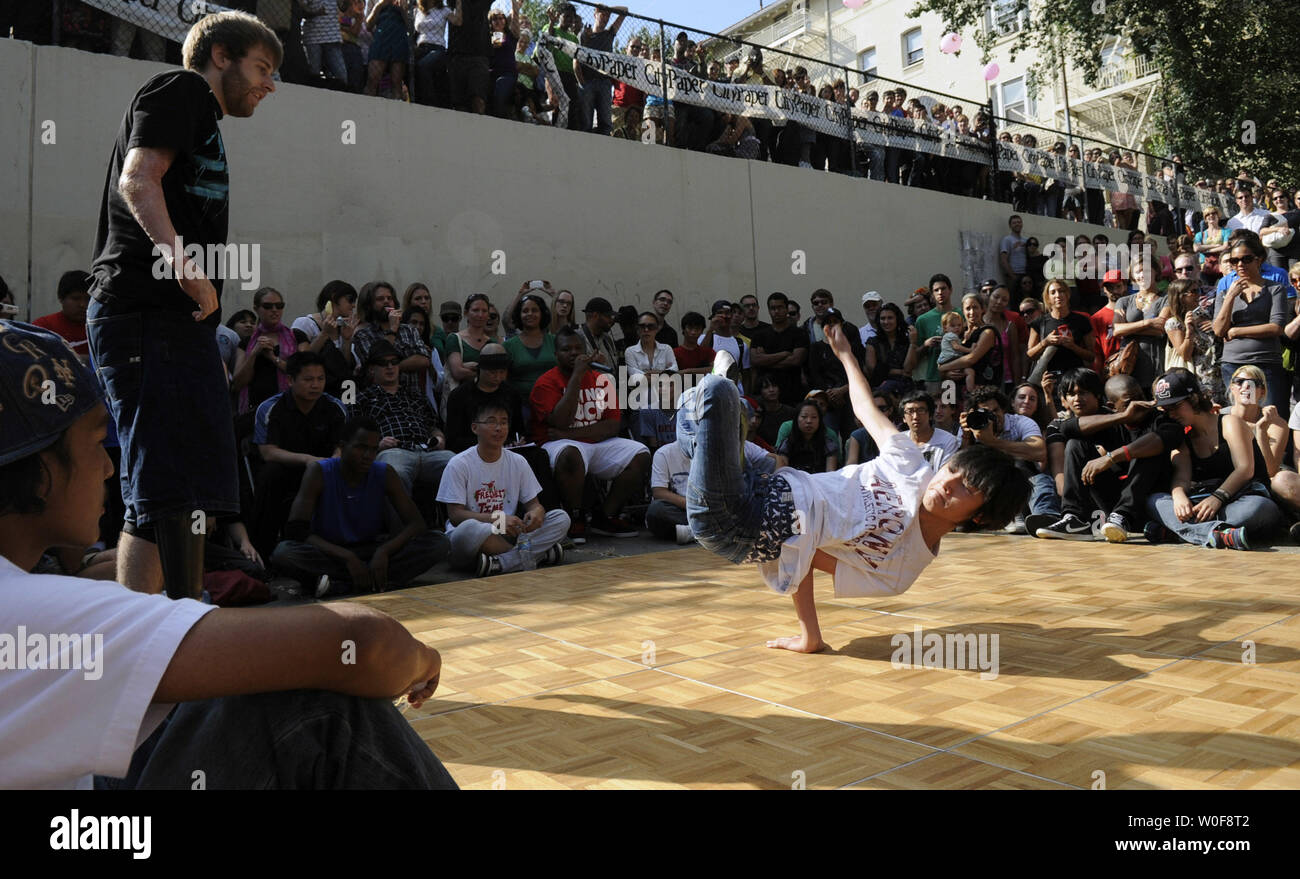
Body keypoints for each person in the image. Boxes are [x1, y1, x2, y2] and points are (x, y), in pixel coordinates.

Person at [0, 323, 455, 789]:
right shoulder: (26, 611)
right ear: (37, 468)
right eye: (97, 443)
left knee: (250, 677)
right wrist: (425, 659)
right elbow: (361, 642)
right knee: (318, 698)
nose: (109, 465)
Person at [86, 11, 281, 600]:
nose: (269, 85)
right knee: (167, 490)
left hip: (175, 327)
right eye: (262, 68)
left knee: (176, 494)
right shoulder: (183, 88)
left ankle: (160, 634)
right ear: (221, 55)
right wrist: (188, 270)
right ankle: (172, 633)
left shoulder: (203, 115)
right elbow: (138, 179)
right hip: (145, 316)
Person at [674, 334, 1028, 654]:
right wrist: (846, 356)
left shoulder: (899, 571)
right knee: (699, 405)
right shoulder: (911, 463)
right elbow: (864, 409)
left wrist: (809, 634)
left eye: (966, 488)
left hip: (739, 523)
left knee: (712, 394)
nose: (946, 483)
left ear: (980, 516)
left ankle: (726, 414)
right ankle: (727, 431)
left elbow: (804, 552)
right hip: (767, 481)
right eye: (953, 470)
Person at [272, 416, 450, 594]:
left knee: (438, 542)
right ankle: (377, 581)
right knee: (284, 553)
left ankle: (339, 585)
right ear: (342, 447)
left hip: (372, 549)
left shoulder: (384, 473)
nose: (368, 456)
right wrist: (347, 557)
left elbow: (416, 524)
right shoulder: (319, 471)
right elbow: (296, 530)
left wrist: (384, 552)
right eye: (361, 448)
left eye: (373, 449)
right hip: (331, 552)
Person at [529, 327, 650, 542]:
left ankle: (605, 516)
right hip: (556, 446)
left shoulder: (601, 379)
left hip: (589, 441)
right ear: (556, 355)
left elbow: (613, 425)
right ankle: (576, 517)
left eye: (578, 348)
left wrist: (569, 433)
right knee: (570, 453)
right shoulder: (545, 383)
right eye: (567, 349)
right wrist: (576, 376)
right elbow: (559, 421)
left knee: (640, 453)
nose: (574, 353)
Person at [1144, 369, 1284, 549]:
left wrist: (1217, 497)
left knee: (1259, 508)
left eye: (1175, 407)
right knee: (1154, 501)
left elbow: (1245, 469)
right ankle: (1216, 534)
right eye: (1166, 410)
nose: (1171, 415)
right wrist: (1178, 496)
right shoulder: (1183, 437)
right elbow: (1181, 477)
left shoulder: (1229, 423)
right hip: (1205, 506)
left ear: (1193, 399)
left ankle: (1180, 531)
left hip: (1242, 500)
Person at [1034, 369, 1180, 541]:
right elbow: (1067, 428)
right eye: (1128, 403)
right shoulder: (1110, 421)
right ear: (1112, 406)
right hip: (1112, 505)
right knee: (1075, 445)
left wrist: (1110, 457)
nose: (1138, 405)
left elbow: (1167, 437)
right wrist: (1124, 416)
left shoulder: (1159, 419)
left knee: (1146, 449)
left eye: (1140, 396)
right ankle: (1074, 519)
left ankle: (1122, 515)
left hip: (1148, 500)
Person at [438, 400, 569, 576]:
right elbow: (455, 516)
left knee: (561, 518)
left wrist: (537, 513)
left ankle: (500, 563)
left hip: (510, 532)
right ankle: (537, 555)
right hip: (475, 534)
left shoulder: (518, 461)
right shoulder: (459, 464)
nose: (499, 428)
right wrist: (498, 520)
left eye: (504, 422)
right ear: (475, 428)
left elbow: (534, 504)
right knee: (471, 529)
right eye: (491, 422)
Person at [250, 351, 348, 559]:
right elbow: (268, 452)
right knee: (270, 475)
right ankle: (263, 554)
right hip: (286, 469)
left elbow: (342, 446)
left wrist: (334, 459)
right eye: (308, 379)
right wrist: (307, 459)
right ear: (290, 380)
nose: (315, 385)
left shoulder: (335, 407)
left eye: (320, 379)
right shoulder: (270, 408)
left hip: (324, 470)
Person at [354, 339, 454, 504]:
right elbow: (355, 435)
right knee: (394, 472)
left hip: (428, 450)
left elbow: (433, 426)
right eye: (383, 363)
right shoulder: (363, 398)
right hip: (393, 451)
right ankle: (406, 528)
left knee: (458, 465)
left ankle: (456, 525)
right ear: (371, 369)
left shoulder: (416, 394)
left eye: (394, 362)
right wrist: (377, 443)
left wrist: (440, 439)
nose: (390, 367)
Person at [649, 429, 777, 544]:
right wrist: (694, 505)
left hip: (717, 508)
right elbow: (659, 492)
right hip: (685, 509)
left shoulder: (718, 450)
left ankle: (698, 532)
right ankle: (716, 532)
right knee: (656, 510)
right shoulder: (664, 453)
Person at [1213, 237, 1290, 411]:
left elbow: (1276, 327)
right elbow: (1218, 329)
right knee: (1241, 418)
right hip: (1233, 363)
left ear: (1259, 259)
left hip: (1266, 362)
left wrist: (1236, 331)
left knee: (1271, 415)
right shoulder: (1225, 291)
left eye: (1246, 259)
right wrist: (1230, 297)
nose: (1240, 264)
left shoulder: (1275, 289)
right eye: (1234, 260)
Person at [1224, 365, 1300, 540]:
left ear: (1262, 391)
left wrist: (1260, 430)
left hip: (1265, 481)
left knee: (1282, 480)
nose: (1245, 386)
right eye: (1240, 381)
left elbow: (1270, 471)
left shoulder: (1276, 423)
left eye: (1253, 383)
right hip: (1231, 480)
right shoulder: (1219, 417)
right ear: (1232, 387)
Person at [352, 281, 433, 397]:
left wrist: (391, 367)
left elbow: (423, 360)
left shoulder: (409, 330)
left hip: (412, 400)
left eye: (389, 298)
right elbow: (375, 363)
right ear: (370, 305)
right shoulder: (363, 335)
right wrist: (392, 330)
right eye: (380, 299)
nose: (386, 301)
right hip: (381, 401)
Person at [232, 286, 298, 417]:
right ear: (256, 309)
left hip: (289, 408)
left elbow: (301, 372)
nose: (274, 310)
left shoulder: (295, 337)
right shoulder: (247, 343)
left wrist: (273, 358)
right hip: (255, 410)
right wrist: (254, 353)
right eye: (268, 306)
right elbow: (238, 383)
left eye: (279, 306)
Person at [1162, 277, 1222, 404]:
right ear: (1181, 297)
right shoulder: (1174, 323)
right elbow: (1185, 354)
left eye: (1199, 290)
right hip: (1199, 380)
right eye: (1193, 291)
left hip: (1218, 375)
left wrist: (1214, 325)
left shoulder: (1205, 315)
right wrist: (1189, 332)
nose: (1198, 294)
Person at [1025, 278, 1095, 386]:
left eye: (1061, 291)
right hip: (1049, 380)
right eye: (1053, 292)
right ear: (1048, 298)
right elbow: (1030, 355)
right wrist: (1045, 342)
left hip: (1074, 379)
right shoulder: (1039, 322)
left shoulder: (1082, 321)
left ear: (1068, 295)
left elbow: (1091, 356)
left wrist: (1073, 346)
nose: (1058, 295)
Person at [1112, 258, 1168, 391]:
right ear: (1132, 275)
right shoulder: (1123, 301)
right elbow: (1116, 331)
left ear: (1156, 272)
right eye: (1138, 272)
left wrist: (1127, 328)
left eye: (1147, 270)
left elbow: (1160, 329)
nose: (1142, 275)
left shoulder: (1166, 298)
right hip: (1128, 364)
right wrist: (1147, 322)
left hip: (1155, 362)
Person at [750, 292, 807, 405]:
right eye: (773, 308)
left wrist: (765, 360)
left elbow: (796, 361)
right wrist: (784, 354)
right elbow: (755, 361)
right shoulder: (760, 335)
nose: (776, 311)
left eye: (780, 307)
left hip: (793, 394)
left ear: (786, 309)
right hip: (765, 396)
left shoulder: (799, 334)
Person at [503, 291, 557, 400]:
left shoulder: (555, 341)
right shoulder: (508, 345)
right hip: (520, 404)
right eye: (525, 311)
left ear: (542, 314)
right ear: (519, 315)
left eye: (535, 310)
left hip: (553, 401)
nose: (530, 314)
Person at [33, 270, 91, 361]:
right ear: (61, 298)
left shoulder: (100, 328)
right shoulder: (43, 327)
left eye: (89, 299)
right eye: (76, 298)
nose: (83, 304)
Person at [864, 302, 918, 398]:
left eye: (890, 318)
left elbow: (908, 369)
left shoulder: (906, 341)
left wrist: (913, 343)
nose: (886, 322)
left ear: (897, 319)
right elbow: (872, 369)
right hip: (880, 391)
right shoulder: (873, 342)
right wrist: (898, 372)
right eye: (883, 318)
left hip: (905, 389)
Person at [363, 0, 411, 99]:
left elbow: (411, 28)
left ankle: (397, 108)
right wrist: (380, 5)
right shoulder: (374, 1)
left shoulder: (405, 1)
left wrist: (402, 10)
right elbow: (368, 25)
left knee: (396, 81)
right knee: (373, 78)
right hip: (380, 38)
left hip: (399, 39)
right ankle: (366, 108)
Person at [776, 400, 839, 474]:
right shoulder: (787, 444)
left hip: (820, 482)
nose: (809, 421)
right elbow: (783, 473)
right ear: (796, 420)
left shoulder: (828, 444)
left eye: (814, 417)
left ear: (820, 421)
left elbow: (830, 474)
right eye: (804, 417)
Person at [935, 310, 975, 393]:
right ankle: (971, 392)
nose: (957, 327)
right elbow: (956, 347)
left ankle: (949, 398)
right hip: (951, 358)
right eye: (953, 325)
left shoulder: (952, 336)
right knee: (970, 372)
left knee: (951, 379)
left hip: (947, 360)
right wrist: (970, 350)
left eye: (959, 325)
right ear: (945, 328)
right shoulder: (951, 335)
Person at [999, 215, 1027, 289]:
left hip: (1026, 276)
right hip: (1013, 275)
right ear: (1010, 226)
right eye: (1014, 223)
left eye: (1019, 222)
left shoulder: (1026, 240)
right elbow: (1003, 260)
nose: (1017, 224)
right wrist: (1013, 276)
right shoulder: (1007, 240)